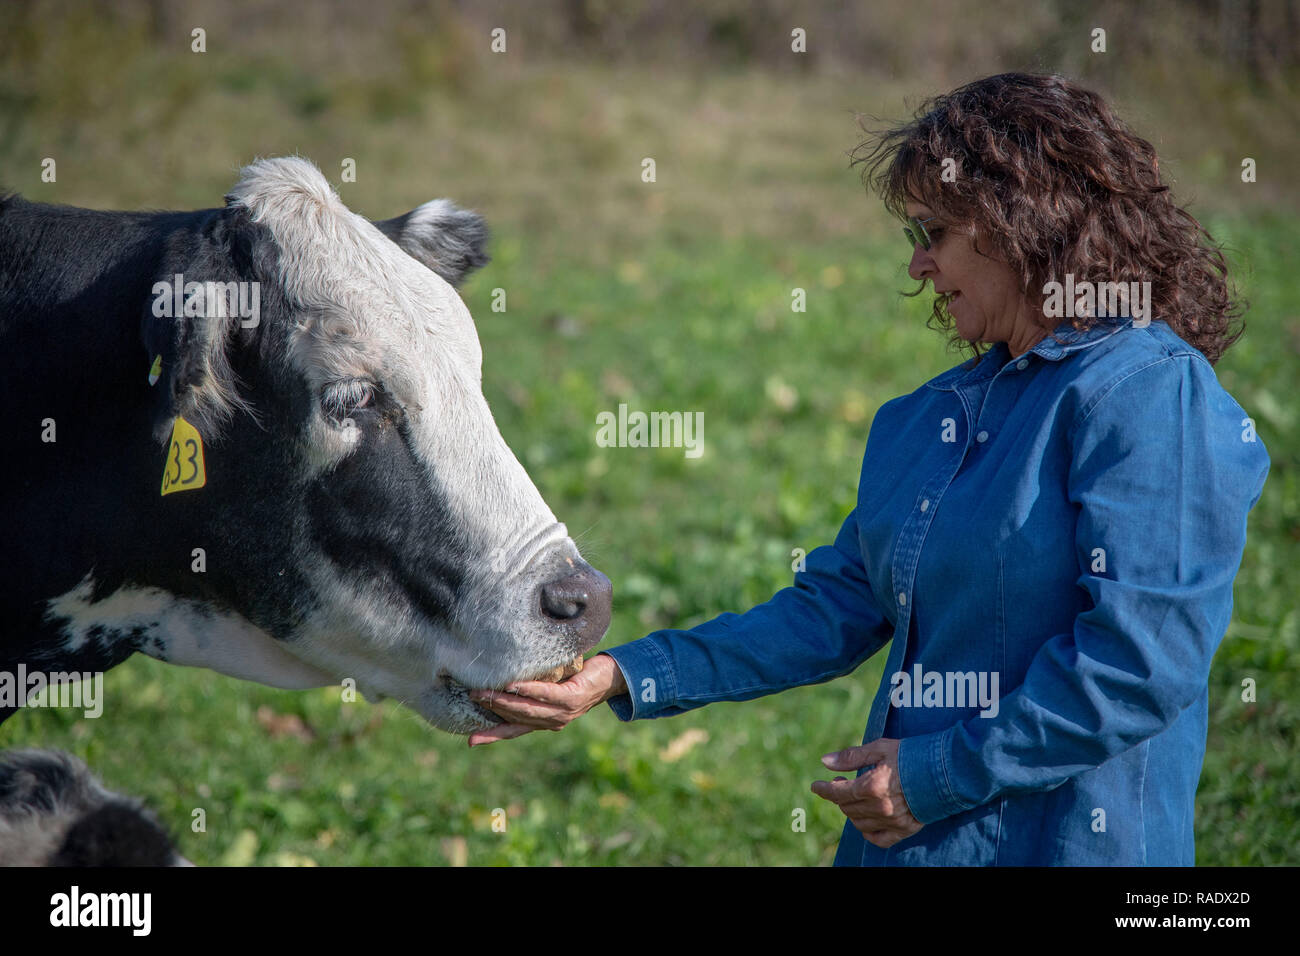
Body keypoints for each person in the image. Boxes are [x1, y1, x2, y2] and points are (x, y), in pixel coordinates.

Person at [467, 72, 1271, 866]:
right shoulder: (927, 417)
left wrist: (935, 776)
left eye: (934, 234)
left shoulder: (1145, 392)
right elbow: (834, 610)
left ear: (1022, 222)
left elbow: (1139, 665)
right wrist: (621, 674)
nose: (917, 267)